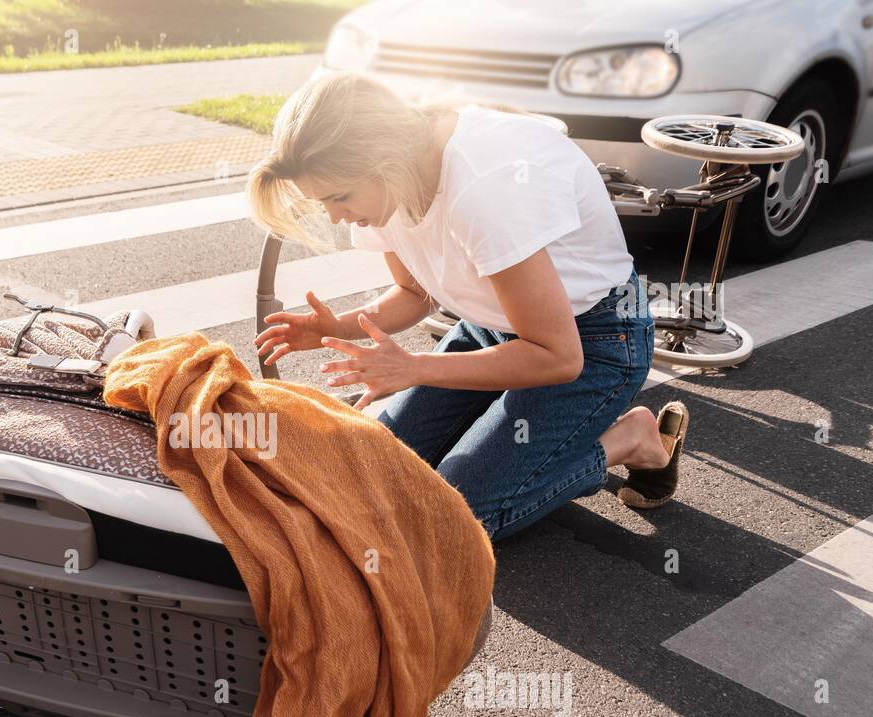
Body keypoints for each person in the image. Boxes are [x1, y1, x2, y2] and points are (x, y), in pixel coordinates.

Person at [248, 71, 690, 542]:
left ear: (384, 157)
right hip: (490, 329)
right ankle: (520, 448)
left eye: (339, 197)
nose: (336, 216)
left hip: (595, 342)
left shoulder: (485, 190)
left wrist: (414, 367)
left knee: (451, 526)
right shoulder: (386, 184)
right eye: (323, 203)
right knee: (370, 476)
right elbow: (416, 293)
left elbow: (557, 357)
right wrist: (336, 326)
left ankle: (631, 439)